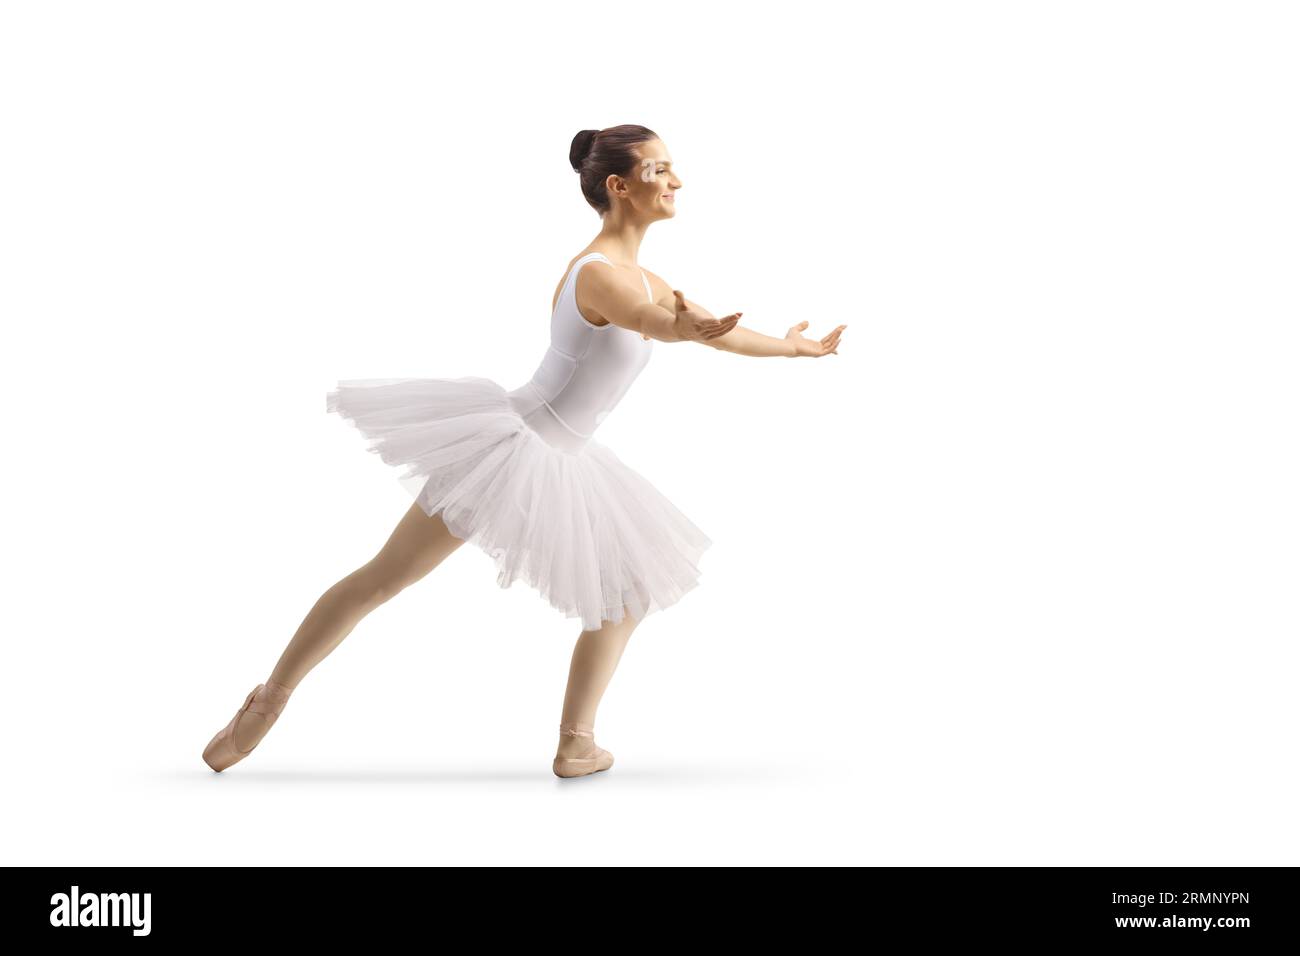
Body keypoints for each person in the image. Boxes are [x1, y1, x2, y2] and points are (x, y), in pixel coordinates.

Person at [202, 125, 846, 778]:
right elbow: (651, 321)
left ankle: (577, 743)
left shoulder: (648, 277)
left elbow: (716, 336)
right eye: (659, 170)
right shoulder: (599, 275)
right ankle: (265, 704)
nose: (676, 181)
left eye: (674, 168)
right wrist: (676, 329)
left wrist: (797, 348)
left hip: (566, 458)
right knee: (384, 578)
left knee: (627, 593)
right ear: (619, 186)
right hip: (511, 446)